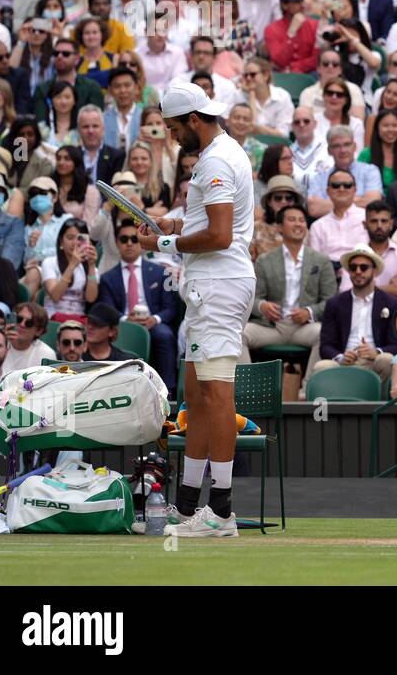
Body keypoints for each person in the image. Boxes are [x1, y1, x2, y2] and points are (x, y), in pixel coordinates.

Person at [137, 81, 255, 539]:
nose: (171, 137)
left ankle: (221, 513)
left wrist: (164, 241)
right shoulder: (219, 154)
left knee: (217, 398)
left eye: (172, 128)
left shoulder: (218, 161)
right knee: (197, 397)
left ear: (192, 120)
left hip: (220, 285)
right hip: (209, 286)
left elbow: (222, 235)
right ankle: (188, 507)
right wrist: (176, 222)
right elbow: (210, 221)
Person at [245, 204, 337, 381]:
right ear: (279, 227)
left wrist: (309, 312)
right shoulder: (265, 260)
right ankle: (248, 387)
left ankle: (309, 388)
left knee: (324, 332)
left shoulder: (321, 260)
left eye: (302, 220)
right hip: (272, 326)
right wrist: (262, 306)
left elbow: (331, 300)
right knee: (240, 333)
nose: (298, 224)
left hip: (304, 326)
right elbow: (251, 297)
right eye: (292, 220)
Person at [95, 217, 177, 387]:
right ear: (117, 243)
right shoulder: (107, 278)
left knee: (165, 335)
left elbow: (171, 307)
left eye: (134, 239)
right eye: (124, 239)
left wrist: (155, 319)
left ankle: (169, 391)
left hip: (153, 322)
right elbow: (108, 309)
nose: (130, 243)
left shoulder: (161, 272)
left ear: (141, 241)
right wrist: (126, 320)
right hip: (123, 324)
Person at [311, 244, 397, 386]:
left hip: (375, 362)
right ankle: (328, 408)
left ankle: (381, 406)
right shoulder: (335, 303)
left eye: (364, 267)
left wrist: (377, 352)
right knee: (321, 367)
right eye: (353, 268)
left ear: (374, 271)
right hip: (345, 361)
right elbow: (326, 345)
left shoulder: (391, 303)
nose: (358, 271)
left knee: (386, 359)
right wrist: (341, 357)